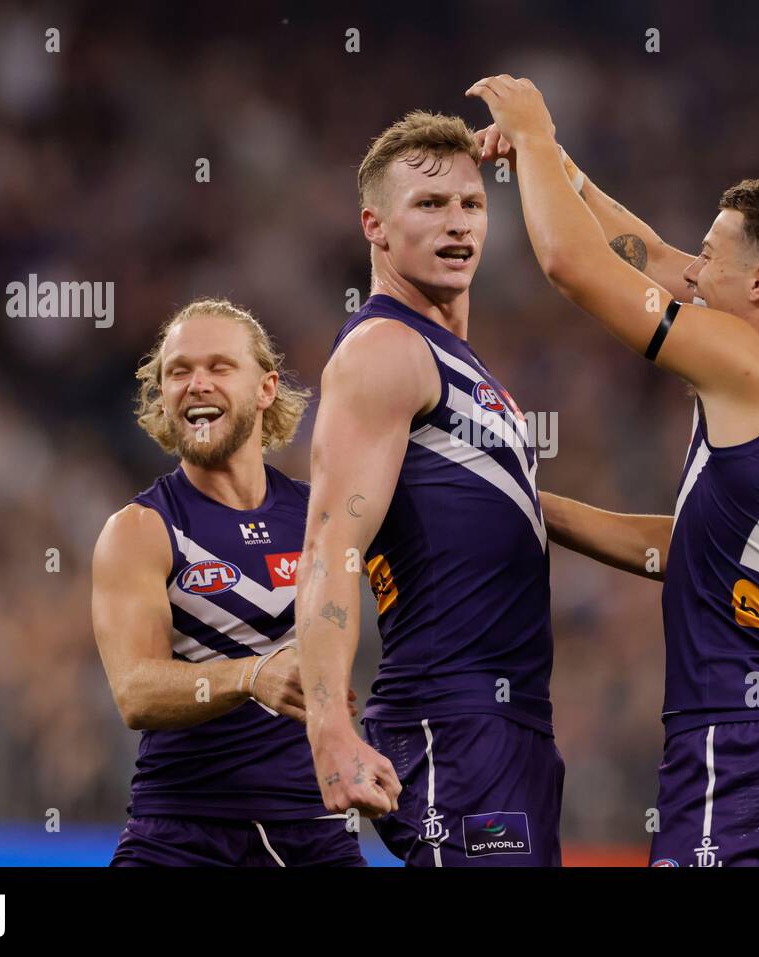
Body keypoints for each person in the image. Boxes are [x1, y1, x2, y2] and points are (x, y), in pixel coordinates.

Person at [468, 75, 759, 866]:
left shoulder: (742, 362)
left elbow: (576, 267)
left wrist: (529, 132)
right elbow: (696, 548)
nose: (691, 271)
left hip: (739, 744)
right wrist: (533, 503)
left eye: (710, 256)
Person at [295, 111, 563, 867]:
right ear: (375, 226)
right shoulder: (385, 349)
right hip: (449, 721)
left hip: (513, 733)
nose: (458, 224)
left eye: (471, 205)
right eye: (430, 204)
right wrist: (330, 727)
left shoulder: (467, 370)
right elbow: (329, 546)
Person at [92, 298, 363, 867]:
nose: (196, 384)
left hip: (313, 829)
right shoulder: (140, 530)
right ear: (162, 397)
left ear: (266, 389)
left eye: (218, 367)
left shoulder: (322, 516)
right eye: (178, 371)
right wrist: (252, 675)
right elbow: (134, 692)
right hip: (179, 833)